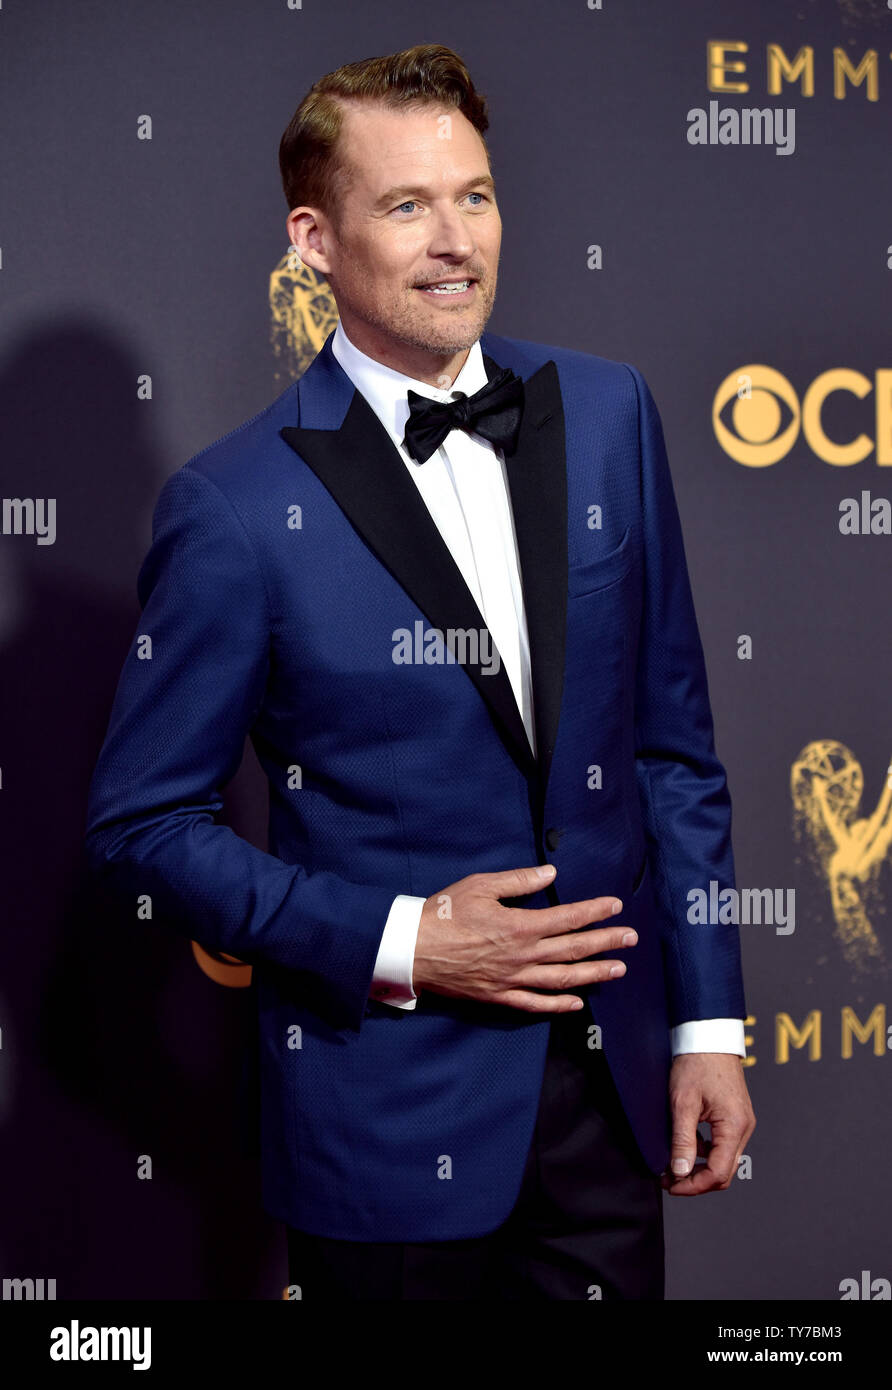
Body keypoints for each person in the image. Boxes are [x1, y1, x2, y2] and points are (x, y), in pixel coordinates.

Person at [85, 42, 755, 1300]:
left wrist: (707, 1025)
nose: (457, 240)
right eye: (405, 206)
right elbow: (142, 824)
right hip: (382, 1129)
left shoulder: (609, 414)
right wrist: (405, 939)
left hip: (606, 1116)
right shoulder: (235, 506)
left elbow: (673, 750)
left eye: (476, 195)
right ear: (313, 238)